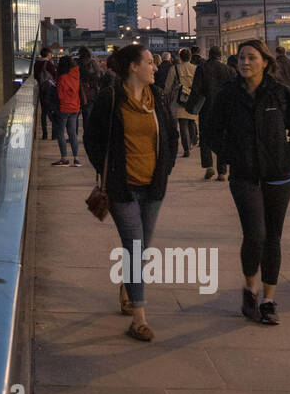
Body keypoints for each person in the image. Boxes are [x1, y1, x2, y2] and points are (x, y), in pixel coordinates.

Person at [85, 44, 178, 341]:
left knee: (141, 249)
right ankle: (139, 318)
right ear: (134, 68)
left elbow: (171, 136)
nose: (155, 67)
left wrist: (165, 170)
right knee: (135, 248)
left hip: (154, 188)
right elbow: (92, 140)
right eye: (150, 62)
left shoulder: (158, 97)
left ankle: (128, 285)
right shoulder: (111, 98)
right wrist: (109, 173)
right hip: (123, 189)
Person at [208, 38, 290, 325]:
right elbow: (211, 131)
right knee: (255, 234)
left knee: (273, 236)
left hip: (279, 176)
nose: (245, 62)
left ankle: (268, 299)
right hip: (244, 176)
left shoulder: (280, 94)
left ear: (265, 61)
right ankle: (250, 287)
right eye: (240, 58)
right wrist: (230, 156)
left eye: (251, 57)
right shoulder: (228, 95)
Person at [191, 46, 234, 180]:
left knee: (205, 137)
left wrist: (191, 107)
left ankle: (209, 166)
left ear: (209, 54)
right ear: (220, 56)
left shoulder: (202, 68)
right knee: (222, 137)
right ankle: (222, 172)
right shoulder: (228, 70)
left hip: (206, 107)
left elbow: (196, 89)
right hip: (224, 108)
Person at [163, 47, 198, 157]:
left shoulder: (174, 69)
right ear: (190, 57)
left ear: (180, 57)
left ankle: (186, 148)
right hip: (192, 97)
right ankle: (194, 139)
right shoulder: (196, 68)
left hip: (180, 98)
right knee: (191, 120)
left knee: (183, 124)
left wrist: (166, 95)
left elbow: (168, 86)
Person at [52, 55, 81, 165]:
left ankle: (64, 158)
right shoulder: (76, 75)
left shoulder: (63, 77)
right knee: (72, 133)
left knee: (60, 133)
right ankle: (76, 158)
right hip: (75, 107)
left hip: (64, 108)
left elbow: (60, 95)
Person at [34, 46, 57, 140]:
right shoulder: (48, 64)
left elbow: (35, 76)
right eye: (50, 53)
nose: (51, 55)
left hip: (41, 89)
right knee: (52, 111)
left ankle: (44, 134)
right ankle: (54, 134)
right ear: (48, 54)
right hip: (50, 89)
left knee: (43, 112)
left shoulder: (36, 63)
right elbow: (55, 76)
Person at [77, 45, 101, 135]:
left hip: (79, 91)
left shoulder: (77, 63)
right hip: (91, 91)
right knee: (89, 114)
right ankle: (89, 133)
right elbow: (98, 76)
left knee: (78, 115)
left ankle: (77, 134)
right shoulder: (92, 63)